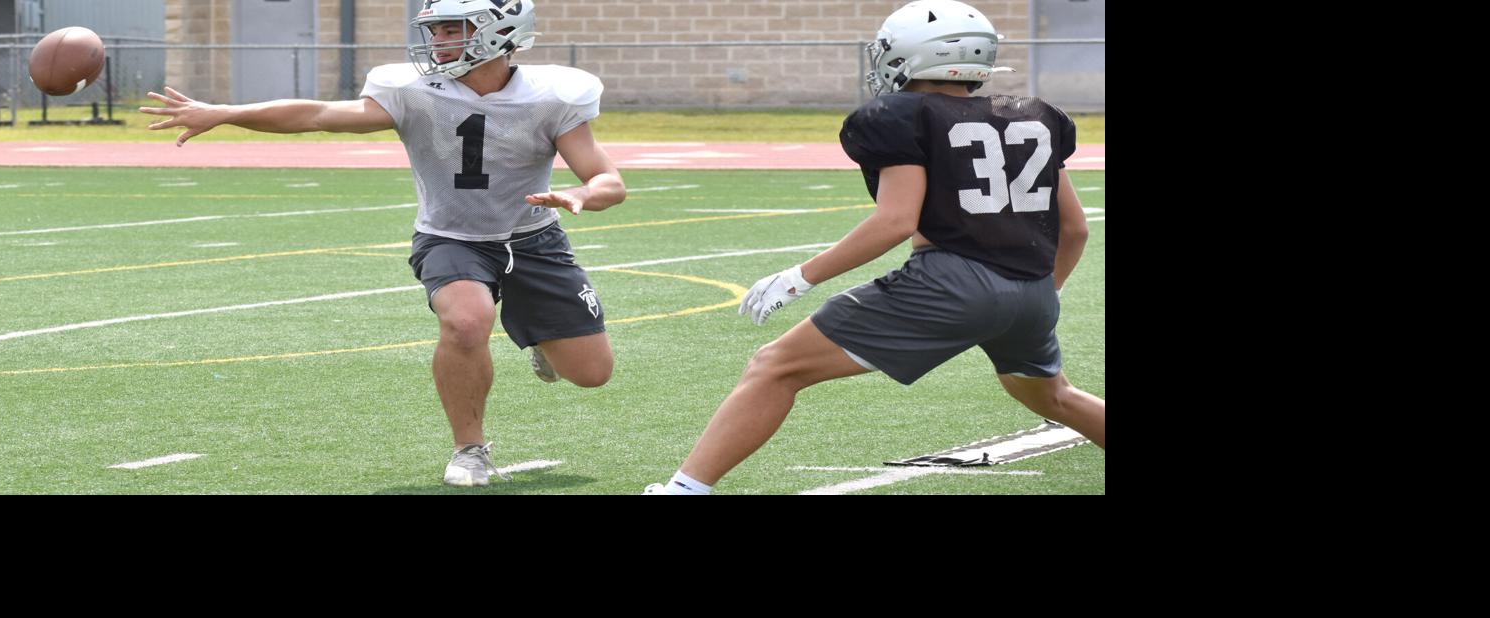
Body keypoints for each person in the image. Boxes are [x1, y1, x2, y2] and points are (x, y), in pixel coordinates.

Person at [142, 0, 626, 487]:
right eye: (433, 30)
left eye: (450, 30)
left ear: (498, 33)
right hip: (451, 238)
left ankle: (543, 337)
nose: (436, 42)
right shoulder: (412, 91)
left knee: (591, 374)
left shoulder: (552, 96)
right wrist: (227, 112)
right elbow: (317, 114)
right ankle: (469, 449)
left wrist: (582, 193)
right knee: (465, 320)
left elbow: (609, 180)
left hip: (533, 239)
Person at [646, 0, 1103, 495]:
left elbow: (895, 221)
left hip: (951, 282)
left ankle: (684, 490)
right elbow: (1074, 229)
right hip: (1032, 288)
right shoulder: (1035, 115)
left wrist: (801, 276)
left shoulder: (900, 113)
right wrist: (1042, 292)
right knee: (1053, 396)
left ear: (908, 55)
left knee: (775, 366)